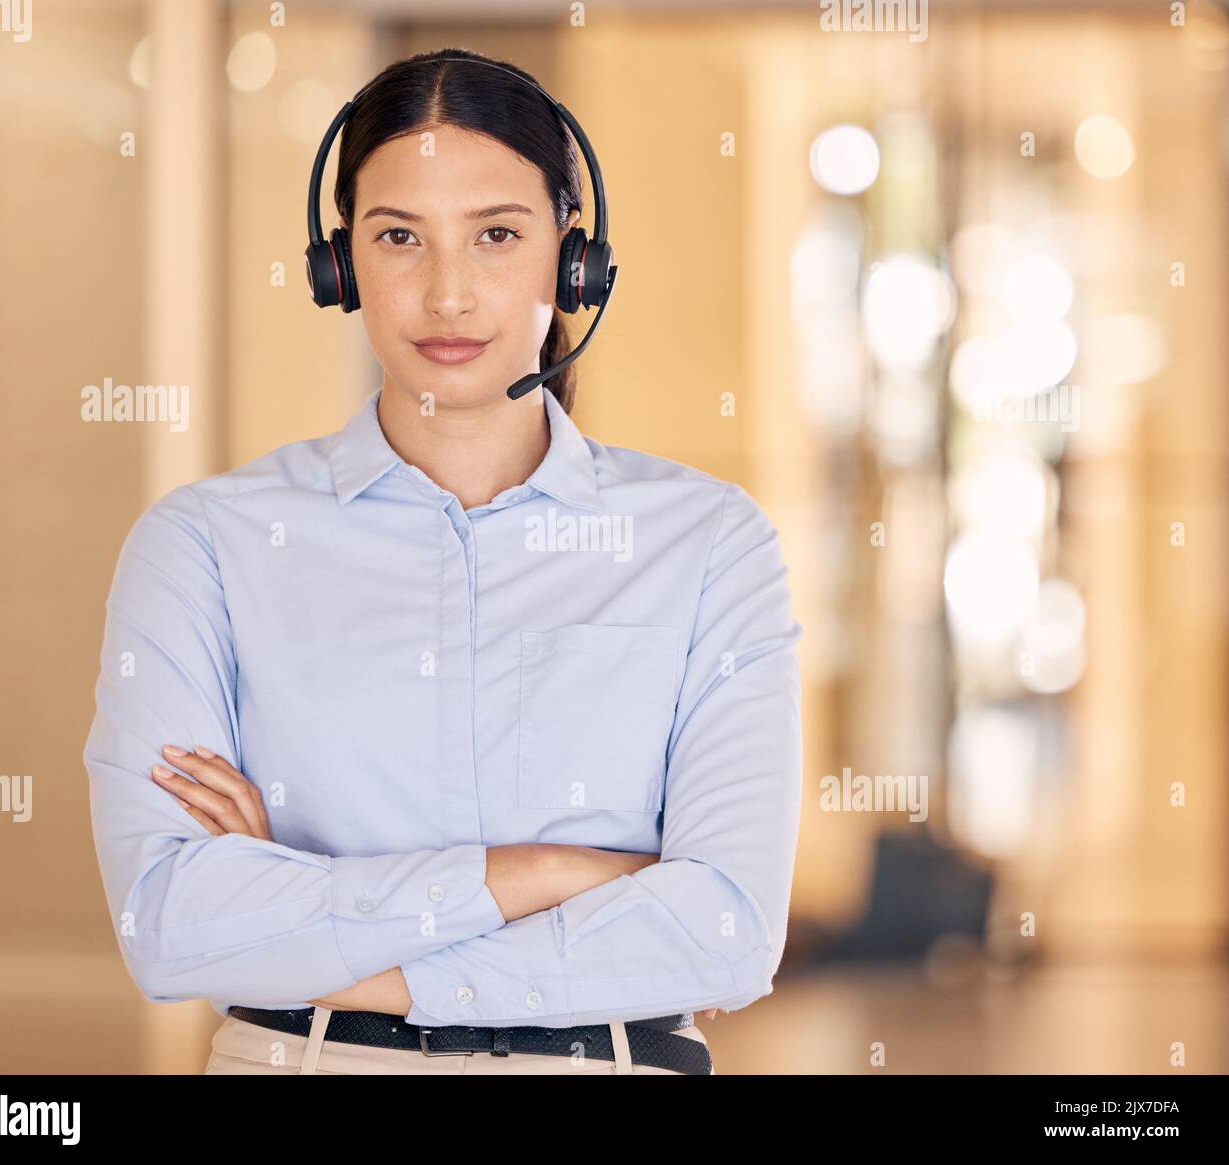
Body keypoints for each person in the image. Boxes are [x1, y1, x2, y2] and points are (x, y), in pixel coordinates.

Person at [84, 47, 803, 1076]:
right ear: (340, 266)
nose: (450, 292)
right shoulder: (205, 546)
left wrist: (311, 926)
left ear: (572, 255)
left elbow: (724, 930)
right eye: (399, 238)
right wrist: (552, 871)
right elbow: (170, 925)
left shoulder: (707, 543)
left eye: (498, 235)